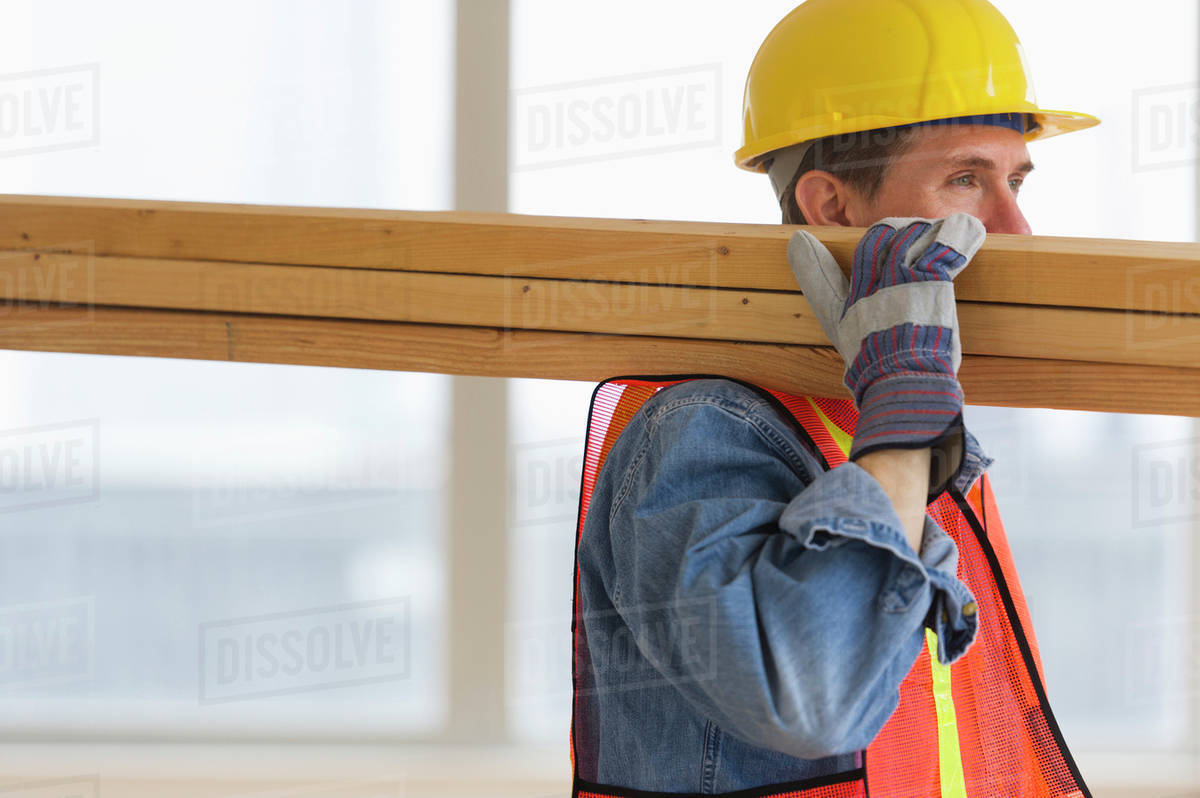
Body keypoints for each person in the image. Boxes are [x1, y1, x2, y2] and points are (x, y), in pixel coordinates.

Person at [569, 0, 1100, 796]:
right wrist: (902, 409)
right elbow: (812, 701)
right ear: (832, 207)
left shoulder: (884, 421)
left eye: (1016, 180)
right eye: (966, 179)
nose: (1015, 228)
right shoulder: (702, 428)